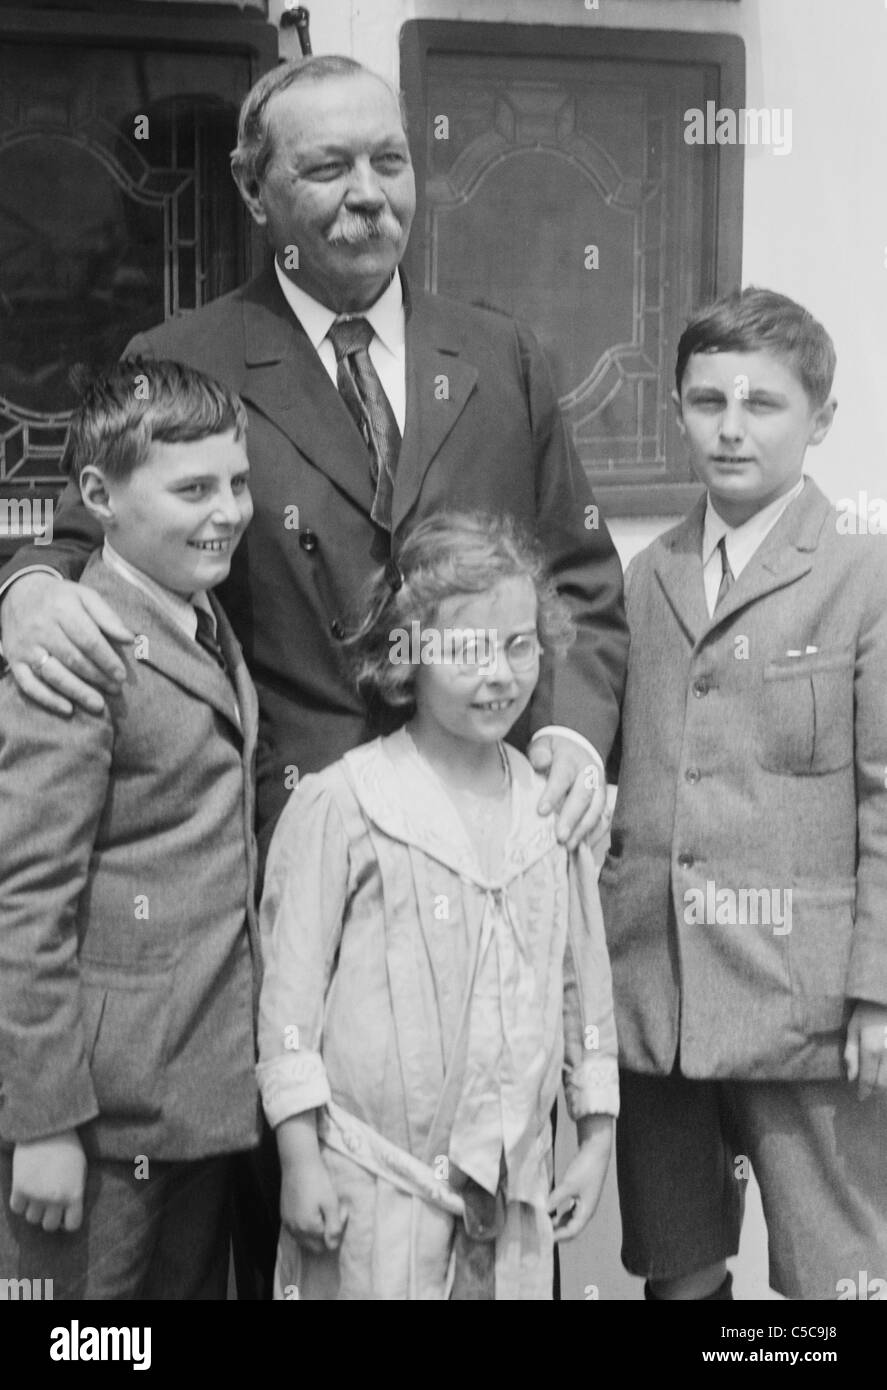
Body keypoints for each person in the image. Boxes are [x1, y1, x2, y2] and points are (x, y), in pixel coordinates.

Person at [0, 54, 628, 1298]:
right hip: (267, 901)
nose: (365, 194)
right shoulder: (182, 352)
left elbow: (583, 586)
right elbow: (89, 545)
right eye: (324, 167)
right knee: (263, 1247)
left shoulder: (500, 356)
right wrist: (18, 591)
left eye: (388, 161)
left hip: (466, 884)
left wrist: (577, 738)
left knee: (457, 1235)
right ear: (254, 188)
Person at [600, 287, 887, 1301]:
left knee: (833, 1274)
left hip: (802, 1002)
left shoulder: (863, 575)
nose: (729, 427)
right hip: (658, 1001)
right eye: (706, 400)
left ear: (819, 420)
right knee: (678, 1268)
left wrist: (875, 993)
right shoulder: (644, 578)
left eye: (761, 404)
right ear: (675, 407)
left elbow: (882, 802)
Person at [257, 512, 619, 1300]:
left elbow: (581, 986)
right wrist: (298, 1156)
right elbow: (288, 999)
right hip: (367, 1195)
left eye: (518, 644)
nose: (499, 673)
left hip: (507, 1204)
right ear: (407, 655)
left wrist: (593, 1141)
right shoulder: (344, 805)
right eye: (466, 650)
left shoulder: (547, 812)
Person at [0, 360, 262, 1298]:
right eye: (192, 489)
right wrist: (40, 1124)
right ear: (98, 498)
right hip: (95, 1120)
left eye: (237, 483)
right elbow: (22, 903)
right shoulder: (76, 651)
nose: (225, 511)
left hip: (196, 1101)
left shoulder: (203, 620)